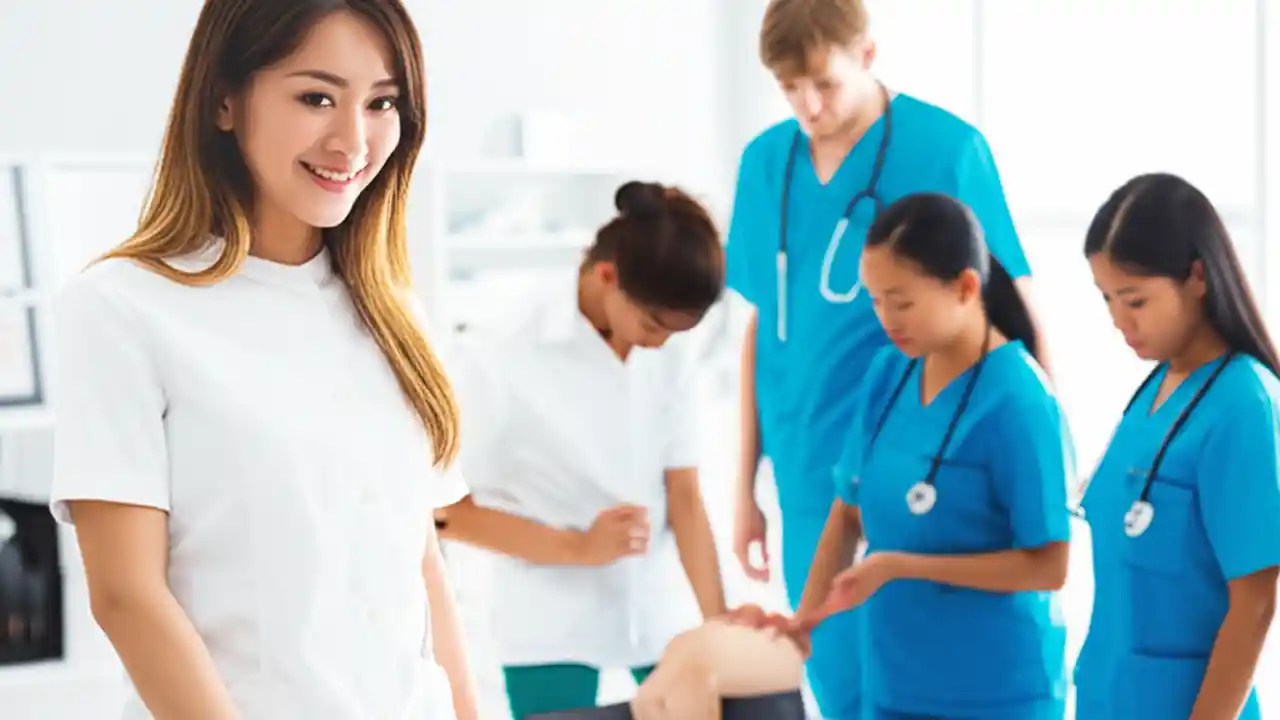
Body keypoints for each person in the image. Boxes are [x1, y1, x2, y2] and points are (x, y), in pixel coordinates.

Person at [47, 1, 477, 718]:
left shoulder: (393, 312)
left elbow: (422, 561)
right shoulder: (121, 307)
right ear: (223, 98)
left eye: (382, 103)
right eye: (316, 97)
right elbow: (127, 596)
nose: (354, 140)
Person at [724, 2, 1047, 715]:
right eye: (788, 89)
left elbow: (1011, 306)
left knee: (930, 666)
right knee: (835, 676)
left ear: (867, 53)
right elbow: (764, 324)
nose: (807, 106)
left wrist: (1044, 444)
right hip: (808, 467)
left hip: (925, 456)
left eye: (824, 84)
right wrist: (743, 485)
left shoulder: (945, 148)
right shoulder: (765, 164)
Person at [736, 193, 1071, 719]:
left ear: (965, 287)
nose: (887, 318)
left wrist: (900, 567)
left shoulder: (1020, 400)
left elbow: (1050, 565)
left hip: (995, 692)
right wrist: (804, 624)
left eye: (903, 301)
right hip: (898, 684)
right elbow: (847, 516)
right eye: (875, 300)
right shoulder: (888, 374)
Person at [434, 181, 728, 719]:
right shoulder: (497, 352)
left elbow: (683, 495)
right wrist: (576, 548)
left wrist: (718, 625)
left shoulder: (668, 353)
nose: (660, 344)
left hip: (660, 615)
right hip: (551, 626)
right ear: (607, 275)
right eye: (651, 325)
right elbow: (444, 513)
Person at [1073, 173, 1280, 719]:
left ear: (1196, 277)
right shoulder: (1154, 391)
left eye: (1135, 300)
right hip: (1109, 698)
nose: (1119, 321)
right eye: (1107, 299)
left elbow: (1255, 602)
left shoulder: (1244, 405)